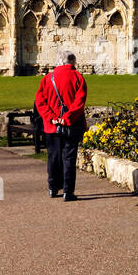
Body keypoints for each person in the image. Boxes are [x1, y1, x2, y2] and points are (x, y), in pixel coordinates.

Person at [35, 50, 88, 201]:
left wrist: (52, 118)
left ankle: (52, 188)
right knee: (69, 158)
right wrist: (66, 118)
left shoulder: (47, 78)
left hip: (52, 126)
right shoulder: (78, 77)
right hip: (72, 125)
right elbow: (79, 102)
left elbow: (40, 101)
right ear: (73, 62)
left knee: (53, 156)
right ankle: (68, 192)